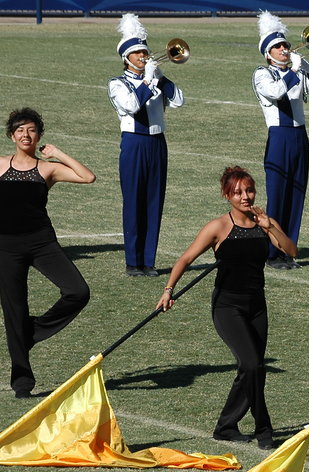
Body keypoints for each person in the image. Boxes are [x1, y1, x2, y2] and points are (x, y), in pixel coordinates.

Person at [157, 167, 297, 450]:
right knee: (253, 364)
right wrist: (168, 290)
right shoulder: (218, 227)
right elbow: (185, 259)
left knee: (252, 369)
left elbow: (291, 251)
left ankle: (226, 426)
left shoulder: (263, 223)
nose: (245, 197)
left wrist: (269, 226)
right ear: (226, 195)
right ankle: (264, 430)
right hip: (227, 306)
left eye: (249, 190)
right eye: (238, 192)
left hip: (257, 305)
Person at [0, 108, 94, 398]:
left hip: (41, 242)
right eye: (20, 130)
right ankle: (22, 382)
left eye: (31, 130)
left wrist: (58, 153)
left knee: (77, 291)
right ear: (12, 135)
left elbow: (88, 177)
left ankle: (32, 333)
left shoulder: (47, 169)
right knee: (14, 308)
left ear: (39, 136)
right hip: (6, 245)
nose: (25, 135)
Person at [254, 12, 309, 269]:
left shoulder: (297, 72)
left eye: (285, 45)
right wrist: (294, 71)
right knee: (278, 197)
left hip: (300, 136)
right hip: (279, 137)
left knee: (297, 194)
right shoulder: (262, 74)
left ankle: (288, 250)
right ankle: (271, 253)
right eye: (277, 47)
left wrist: (307, 68)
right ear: (268, 53)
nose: (284, 49)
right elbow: (276, 93)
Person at [108, 13, 185, 277]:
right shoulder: (117, 83)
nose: (144, 56)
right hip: (134, 143)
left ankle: (148, 261)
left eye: (145, 51)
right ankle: (133, 261)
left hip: (157, 143)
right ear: (126, 58)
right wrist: (149, 81)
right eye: (138, 53)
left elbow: (178, 101)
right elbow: (130, 105)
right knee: (134, 201)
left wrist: (161, 78)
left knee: (154, 200)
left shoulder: (155, 79)